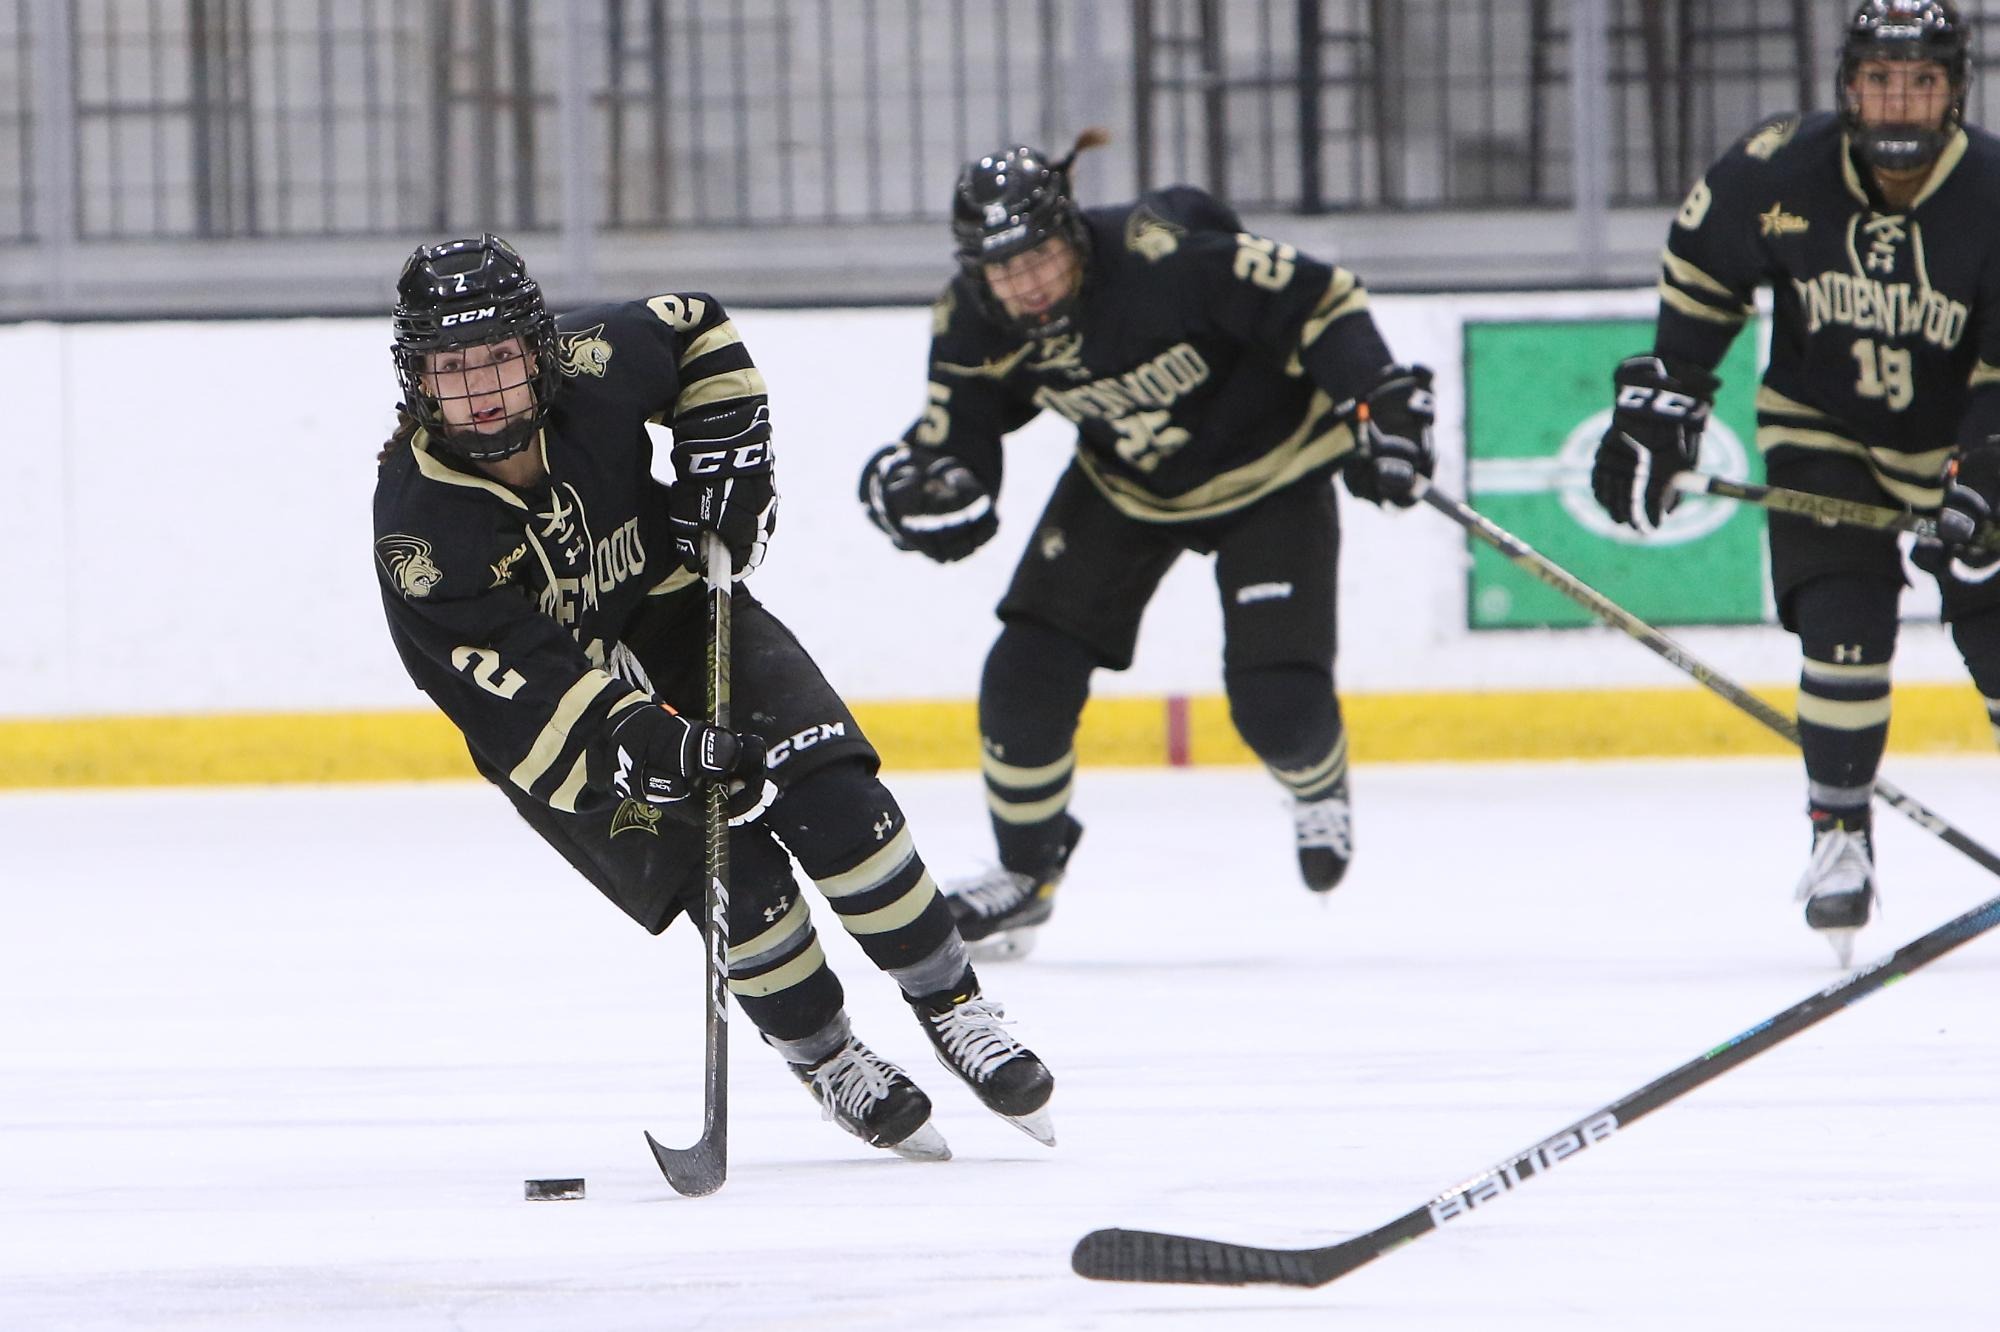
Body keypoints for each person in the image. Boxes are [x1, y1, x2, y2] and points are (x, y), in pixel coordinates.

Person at [372, 234, 1055, 1159]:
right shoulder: (422, 533)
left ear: (539, 348)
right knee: (738, 879)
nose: (483, 388)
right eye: (454, 368)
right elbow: (514, 695)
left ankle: (957, 1008)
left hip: (678, 617)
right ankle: (828, 1058)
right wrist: (651, 741)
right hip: (567, 728)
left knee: (839, 801)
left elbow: (696, 330)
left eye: (498, 356)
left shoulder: (594, 363)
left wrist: (725, 456)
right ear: (417, 380)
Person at [858, 132, 1437, 959]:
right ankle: (1026, 875)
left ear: (1072, 232)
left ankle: (1317, 782)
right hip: (1125, 483)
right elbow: (961, 435)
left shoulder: (1160, 253)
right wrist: (931, 485)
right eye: (1001, 268)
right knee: (1024, 671)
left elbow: (1322, 300)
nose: (1024, 284)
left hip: (1274, 469)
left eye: (1039, 257)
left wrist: (1378, 400)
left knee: (1279, 710)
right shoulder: (974, 314)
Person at [1590, 0, 2000, 965]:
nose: (1899, 103)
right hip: (1827, 430)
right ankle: (1840, 837)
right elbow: (1701, 274)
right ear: (1847, 89)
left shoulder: (1993, 193)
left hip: (1966, 446)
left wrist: (1983, 478)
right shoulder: (1775, 169)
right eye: (1880, 81)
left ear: (1955, 93)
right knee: (1839, 621)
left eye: (1922, 83)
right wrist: (1668, 401)